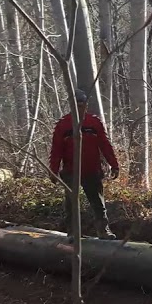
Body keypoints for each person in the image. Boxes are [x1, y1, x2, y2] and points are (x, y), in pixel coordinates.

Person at [48, 90, 119, 240]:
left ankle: (103, 230)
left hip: (92, 170)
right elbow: (56, 150)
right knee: (72, 204)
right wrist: (53, 170)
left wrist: (114, 164)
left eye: (82, 104)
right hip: (71, 172)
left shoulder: (94, 122)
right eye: (77, 104)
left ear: (86, 105)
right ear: (71, 105)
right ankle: (73, 232)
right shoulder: (63, 124)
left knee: (98, 203)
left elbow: (105, 145)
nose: (80, 107)